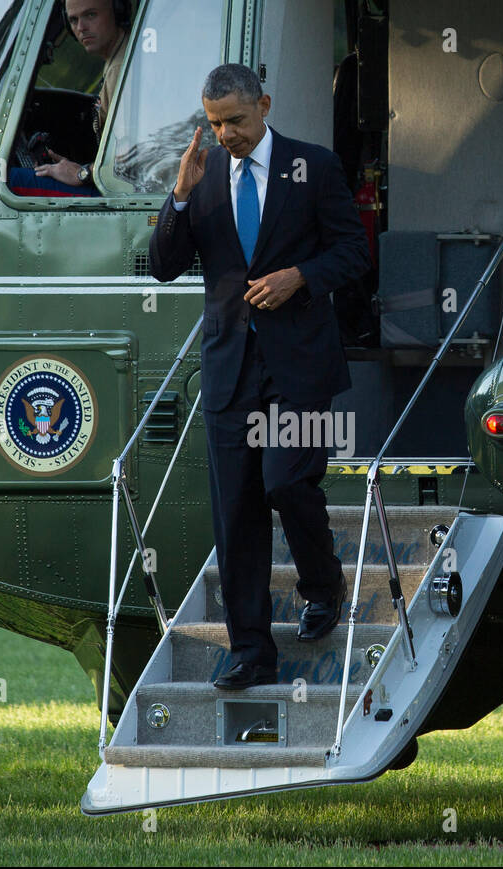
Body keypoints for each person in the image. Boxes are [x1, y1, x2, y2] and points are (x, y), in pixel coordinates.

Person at [148, 64, 371, 690]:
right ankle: (250, 651)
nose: (226, 135)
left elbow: (354, 252)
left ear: (264, 105)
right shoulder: (202, 171)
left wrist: (299, 276)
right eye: (215, 124)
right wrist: (180, 198)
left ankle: (322, 584)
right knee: (235, 510)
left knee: (286, 483)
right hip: (228, 369)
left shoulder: (314, 167)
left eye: (236, 121)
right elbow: (165, 267)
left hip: (300, 364)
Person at [14, 0, 132, 195]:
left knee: (11, 180)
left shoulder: (121, 69)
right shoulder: (120, 56)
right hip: (121, 185)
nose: (81, 28)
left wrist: (82, 174)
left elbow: (133, 157)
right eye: (73, 20)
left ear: (118, 11)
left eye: (91, 15)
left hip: (125, 193)